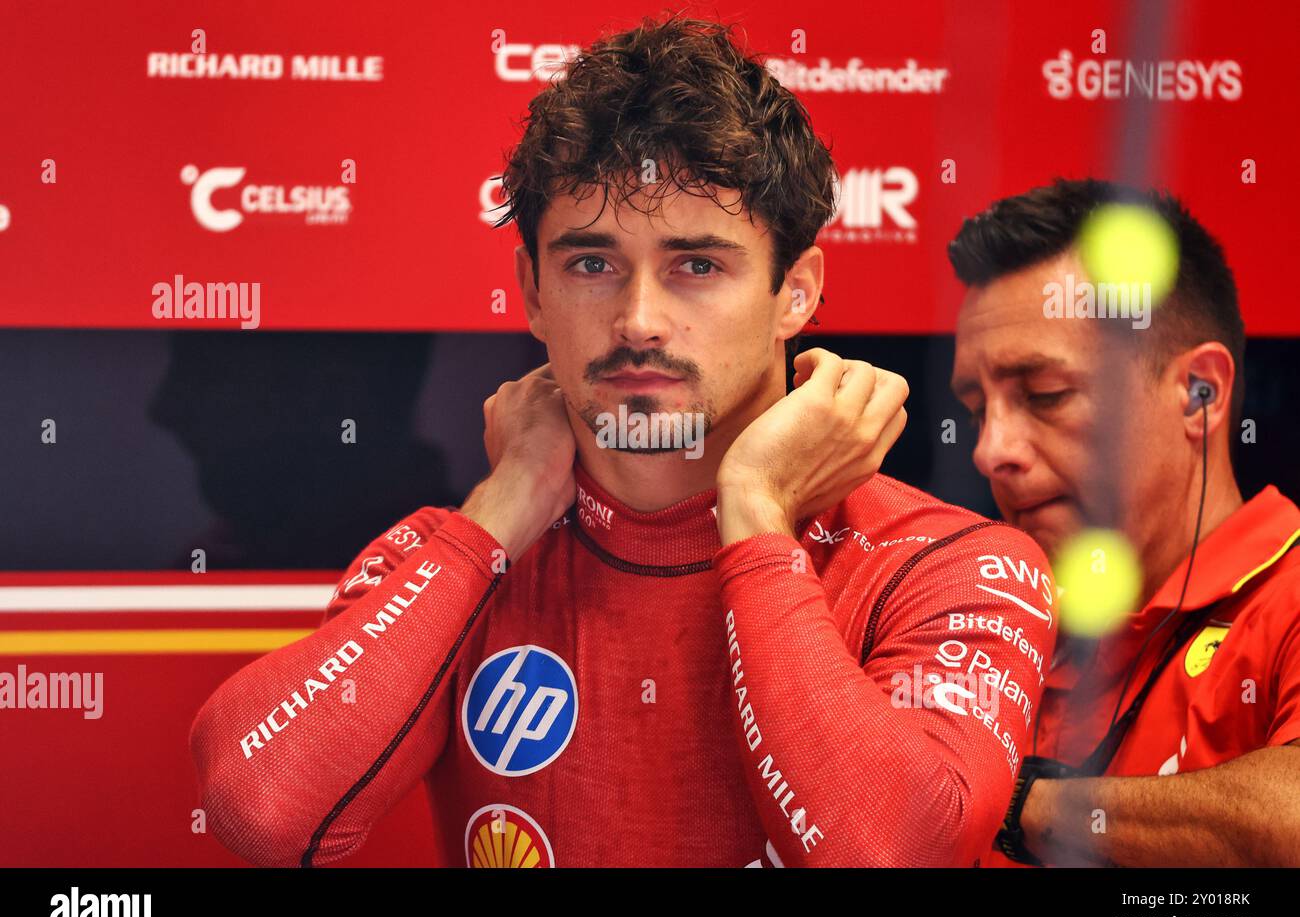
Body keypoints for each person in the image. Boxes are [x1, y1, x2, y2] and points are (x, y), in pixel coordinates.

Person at [189, 14, 1054, 868]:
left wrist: (755, 510)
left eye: (697, 264)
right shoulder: (458, 556)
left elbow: (893, 851)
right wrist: (495, 514)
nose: (639, 320)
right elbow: (261, 809)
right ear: (532, 290)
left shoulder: (950, 564)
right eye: (591, 263)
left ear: (796, 291)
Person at [948, 178, 1300, 866]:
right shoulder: (984, 623)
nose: (990, 451)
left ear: (1200, 393)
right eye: (974, 408)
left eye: (1044, 395)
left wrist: (1014, 800)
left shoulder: (1287, 597)